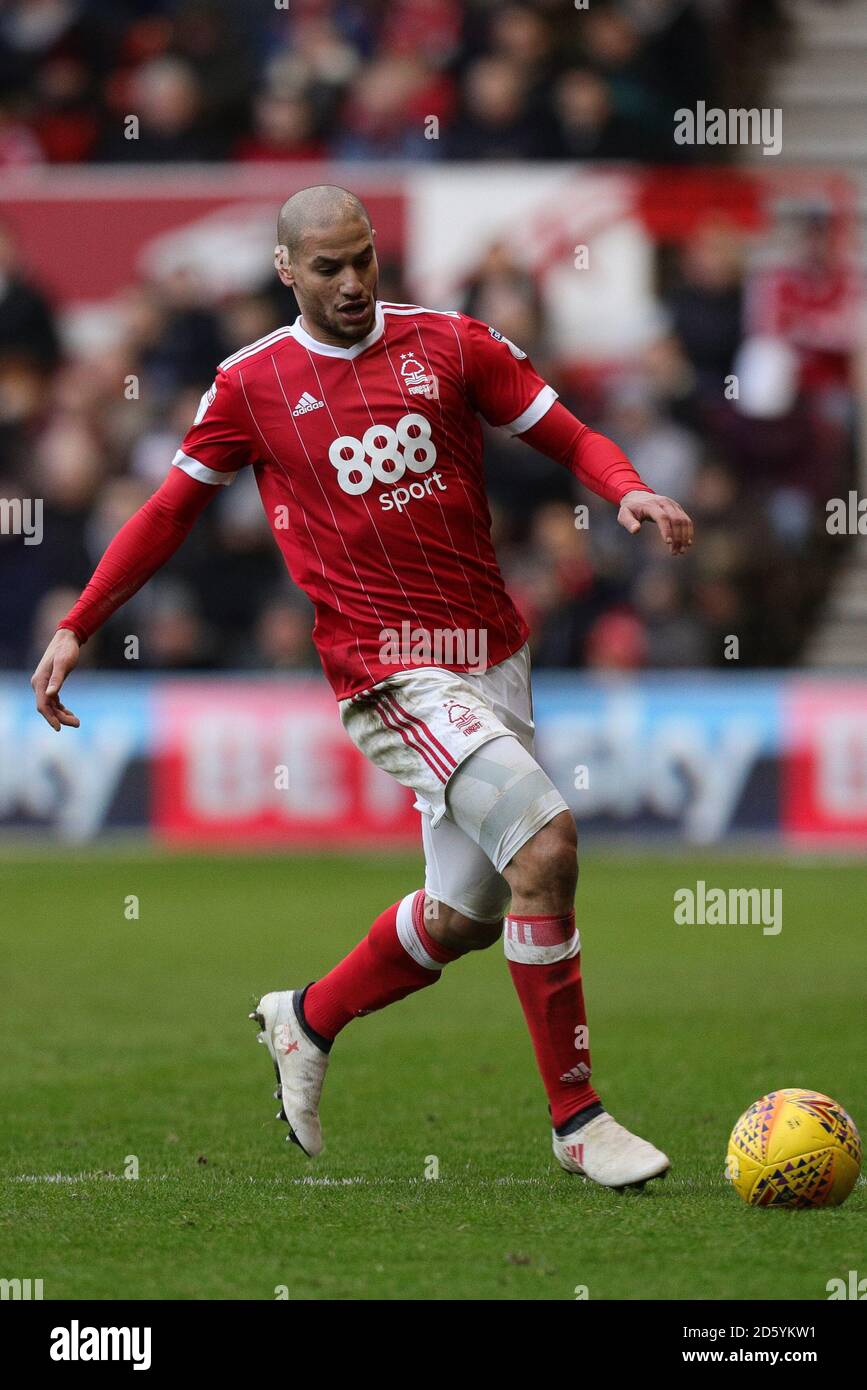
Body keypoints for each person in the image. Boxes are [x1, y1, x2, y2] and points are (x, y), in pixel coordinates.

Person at [31, 186, 693, 1189]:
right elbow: (169, 511)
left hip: (490, 654)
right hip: (389, 671)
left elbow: (564, 432)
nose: (350, 283)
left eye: (363, 261)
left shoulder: (453, 342)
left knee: (468, 912)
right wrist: (80, 620)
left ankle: (305, 1018)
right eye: (326, 267)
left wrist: (627, 486)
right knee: (548, 842)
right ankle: (578, 1120)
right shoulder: (251, 383)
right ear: (285, 270)